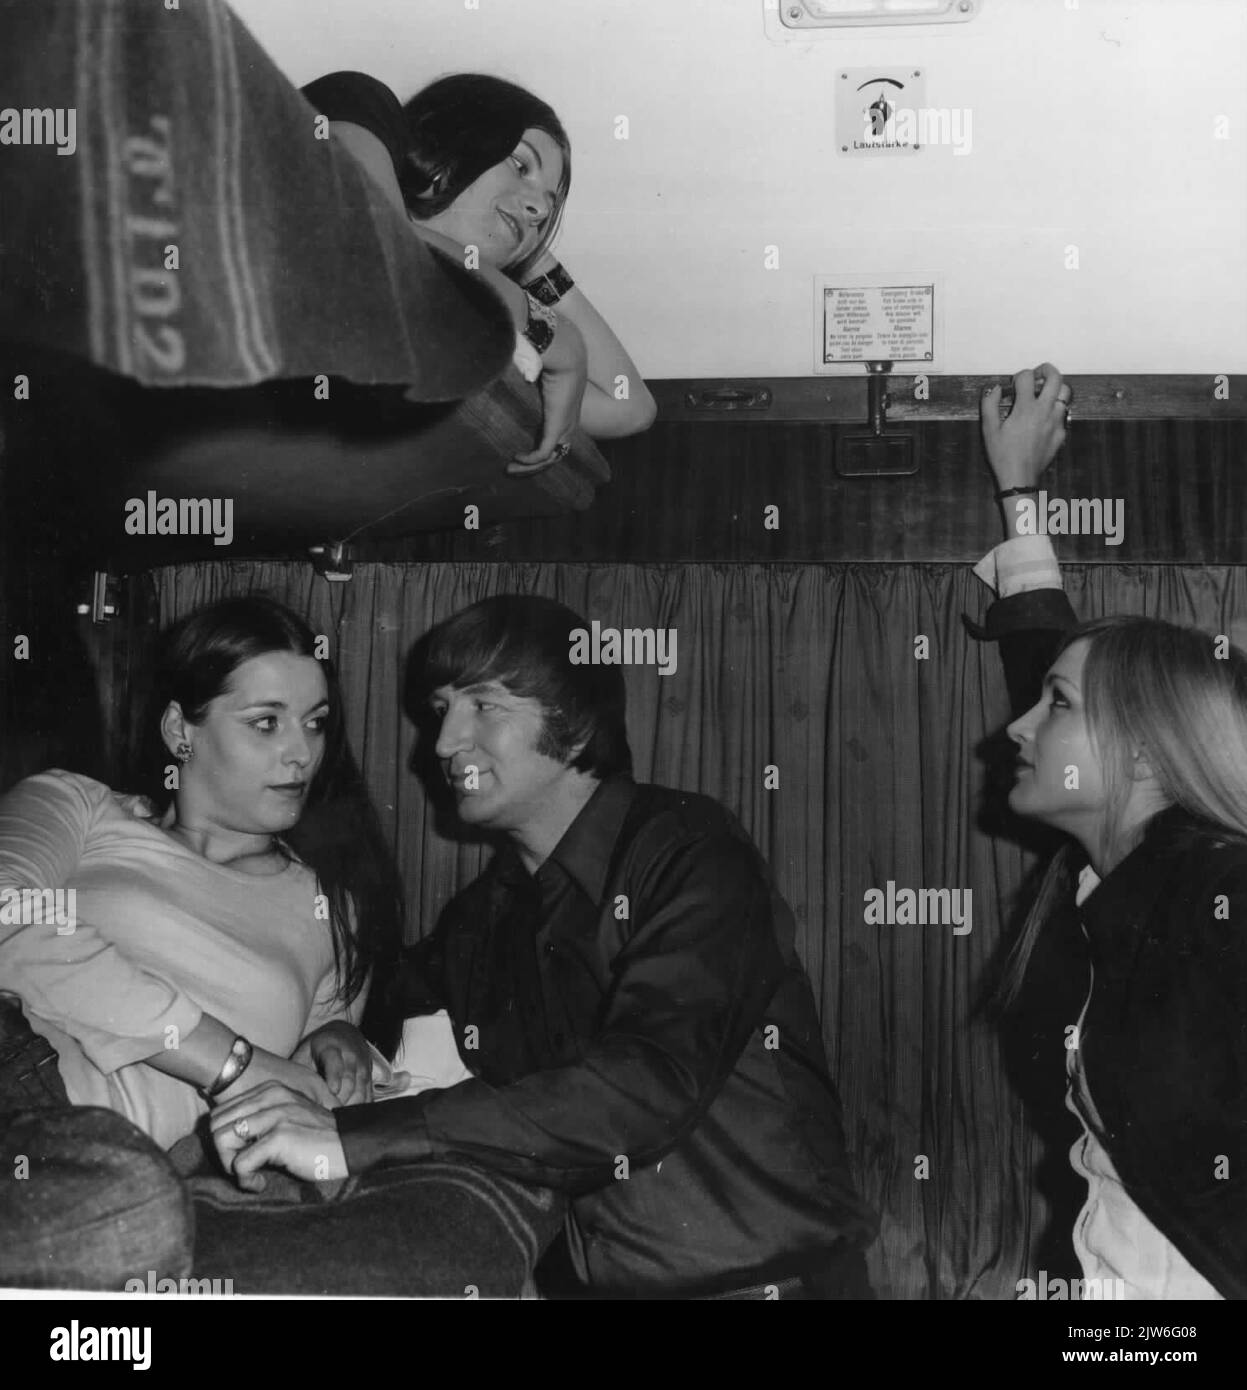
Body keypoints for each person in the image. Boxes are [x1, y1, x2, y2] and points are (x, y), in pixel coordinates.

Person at [209, 593, 877, 1299]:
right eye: (441, 710)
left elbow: (647, 1082)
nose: (443, 743)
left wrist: (349, 1139)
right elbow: (397, 1000)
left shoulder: (689, 851)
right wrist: (343, 1032)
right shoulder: (488, 912)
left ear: (576, 723)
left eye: (484, 706)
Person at [971, 365, 1247, 1299]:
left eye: (1053, 706)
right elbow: (1042, 661)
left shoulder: (1222, 898)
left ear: (1140, 751)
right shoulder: (1118, 868)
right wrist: (1018, 494)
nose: (1014, 727)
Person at [0, 596, 401, 1151]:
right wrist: (229, 1062)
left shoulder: (331, 907)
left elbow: (312, 1074)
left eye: (315, 723)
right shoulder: (78, 804)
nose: (302, 753)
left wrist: (339, 1037)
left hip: (112, 1164)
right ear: (179, 731)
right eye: (266, 722)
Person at [303, 71, 657, 472]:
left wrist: (530, 256)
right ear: (450, 147)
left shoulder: (475, 326)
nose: (541, 210)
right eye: (520, 165)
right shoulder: (357, 101)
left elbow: (630, 407)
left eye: (547, 210)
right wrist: (555, 334)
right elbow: (372, 234)